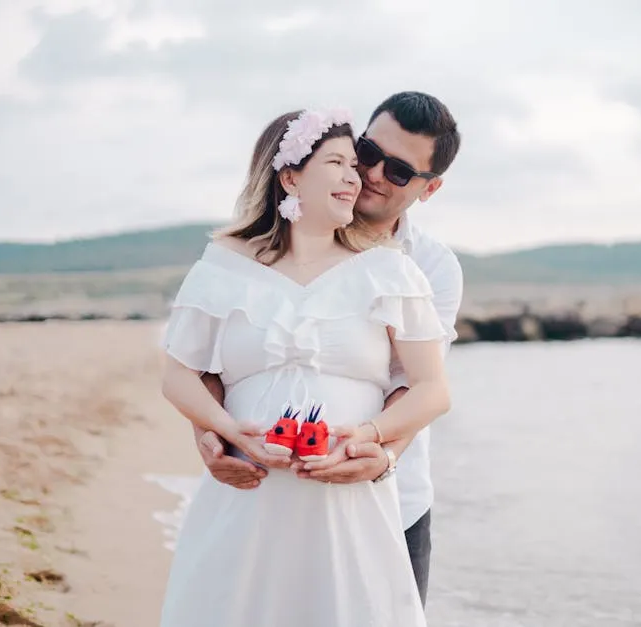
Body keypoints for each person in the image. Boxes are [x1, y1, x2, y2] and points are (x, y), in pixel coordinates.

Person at [158, 107, 452, 626]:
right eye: (354, 159)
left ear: (428, 188)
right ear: (289, 175)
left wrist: (372, 444)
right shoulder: (224, 267)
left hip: (360, 495)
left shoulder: (402, 271)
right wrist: (221, 432)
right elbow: (185, 372)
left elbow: (428, 389)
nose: (363, 176)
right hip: (250, 493)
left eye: (397, 171)